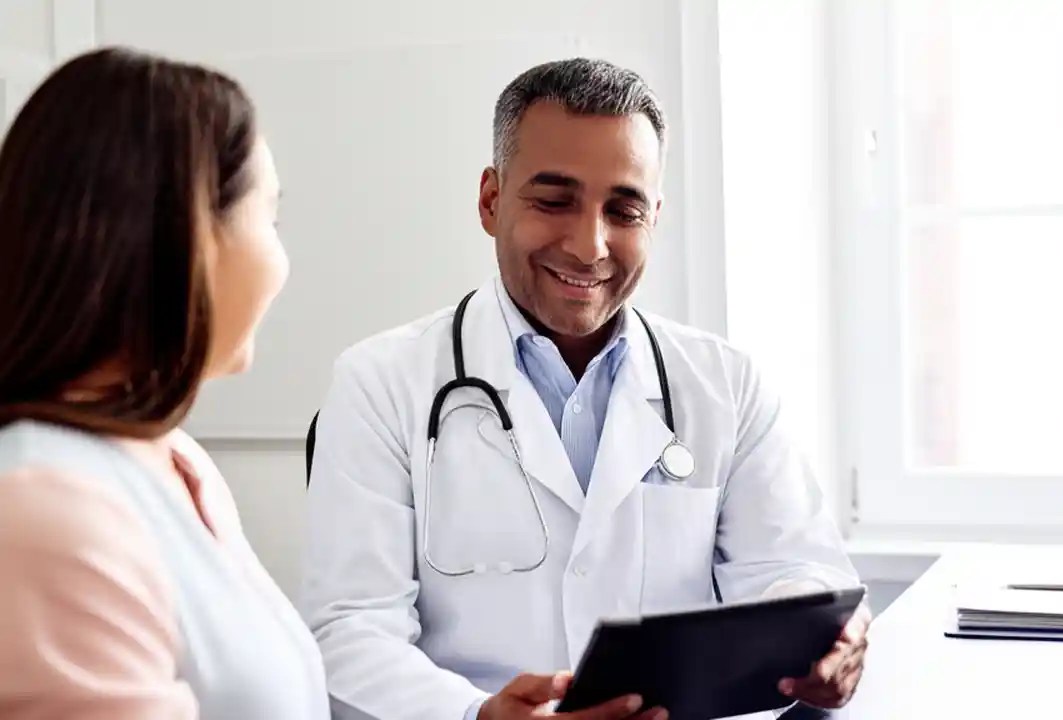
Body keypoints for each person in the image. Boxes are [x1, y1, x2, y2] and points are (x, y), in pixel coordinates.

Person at [301, 58, 870, 720]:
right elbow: (348, 631)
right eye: (553, 201)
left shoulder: (726, 385)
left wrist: (828, 645)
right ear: (491, 201)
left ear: (654, 216)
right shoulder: (380, 384)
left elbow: (795, 571)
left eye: (623, 210)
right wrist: (477, 715)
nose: (589, 245)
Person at [0, 48, 328, 718]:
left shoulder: (174, 458)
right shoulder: (46, 507)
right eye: (270, 218)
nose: (283, 261)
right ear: (188, 236)